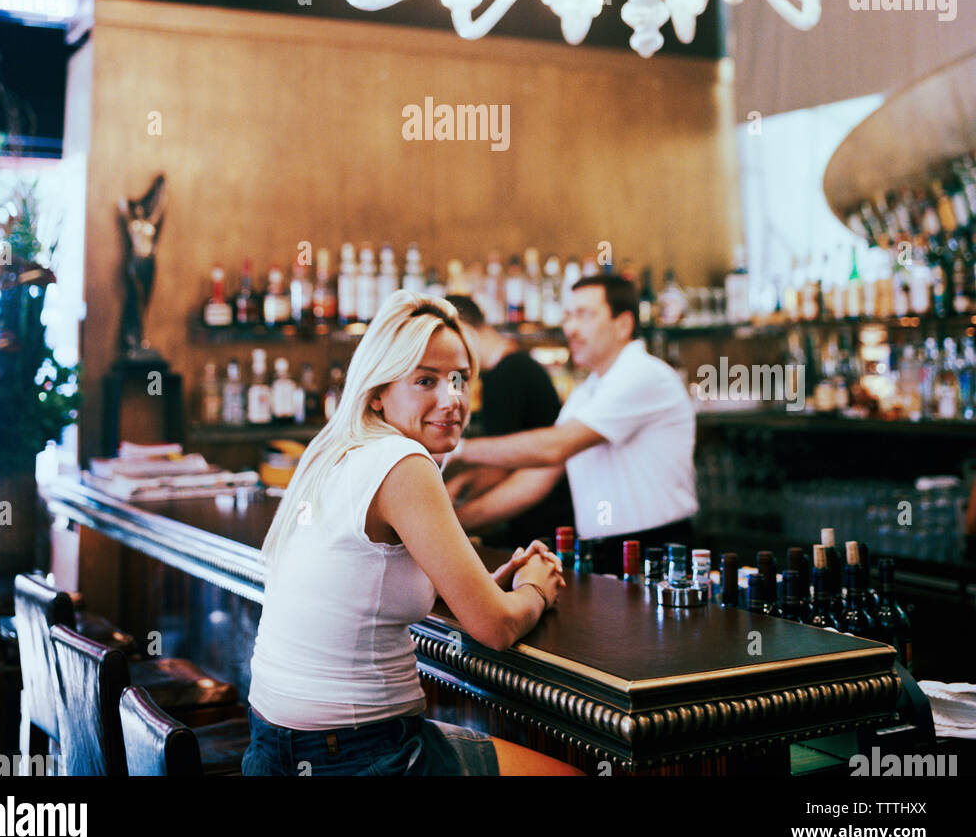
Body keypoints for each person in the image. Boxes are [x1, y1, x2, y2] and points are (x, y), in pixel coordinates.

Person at [243, 290, 581, 776]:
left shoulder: (338, 450)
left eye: (459, 379)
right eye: (426, 380)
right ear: (378, 391)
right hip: (360, 754)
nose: (453, 399)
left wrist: (482, 585)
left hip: (276, 748)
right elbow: (496, 629)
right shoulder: (402, 462)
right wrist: (534, 589)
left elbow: (368, 584)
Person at [450, 275, 697, 577]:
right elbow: (536, 477)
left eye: (584, 315)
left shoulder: (644, 376)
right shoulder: (588, 391)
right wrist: (452, 522)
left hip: (655, 548)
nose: (570, 328)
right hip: (603, 551)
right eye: (568, 315)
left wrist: (457, 448)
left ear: (623, 324)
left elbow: (555, 447)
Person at [443, 294, 574, 549]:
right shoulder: (513, 368)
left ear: (465, 330)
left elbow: (502, 467)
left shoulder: (507, 376)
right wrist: (463, 483)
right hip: (539, 517)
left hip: (542, 521)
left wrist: (457, 498)